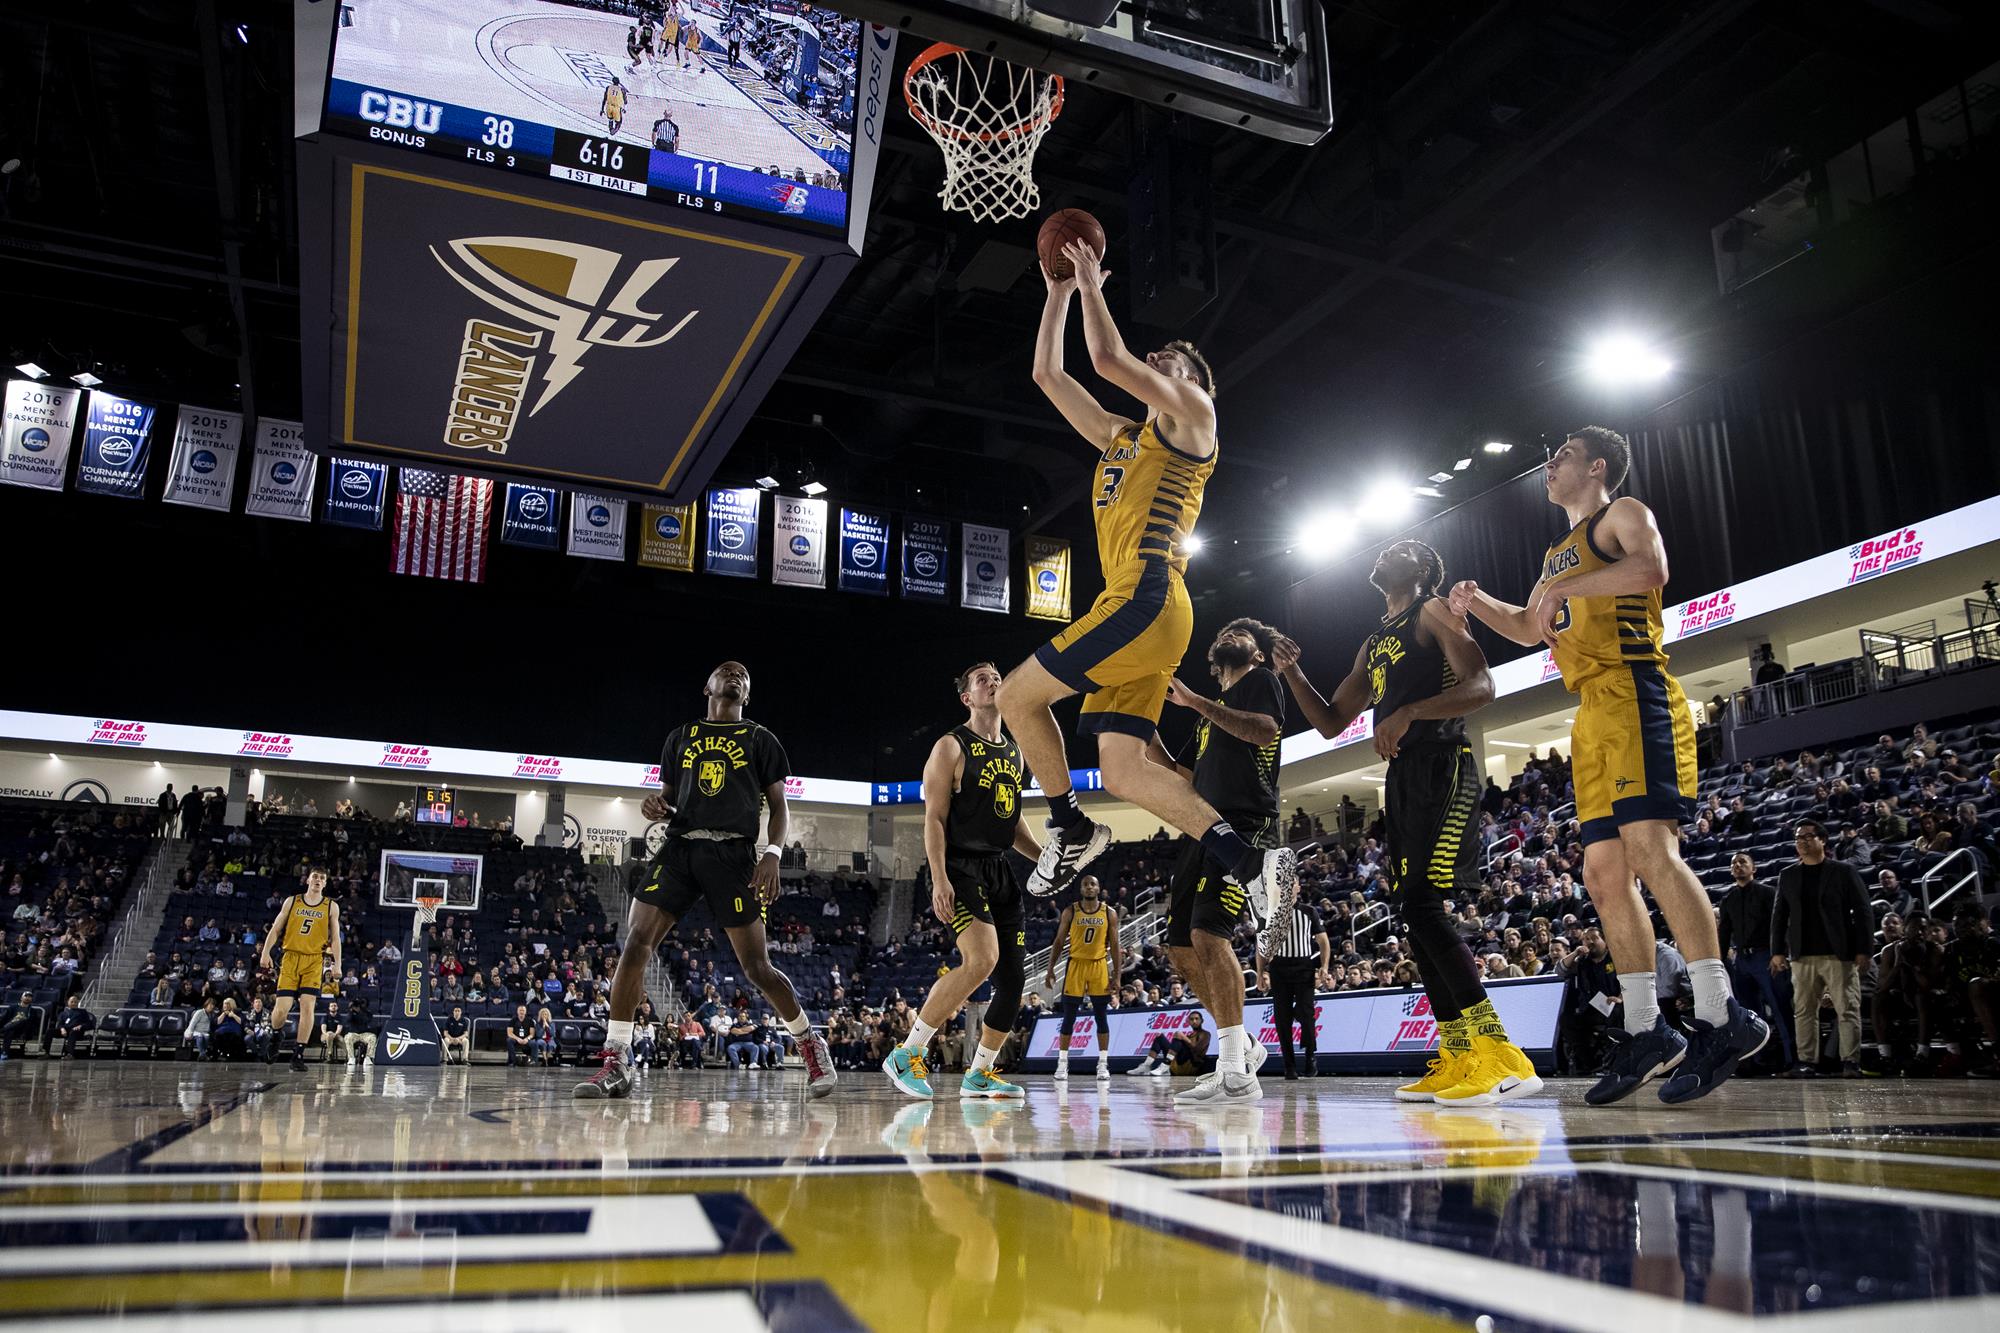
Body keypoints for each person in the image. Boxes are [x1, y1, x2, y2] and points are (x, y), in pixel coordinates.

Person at [1452, 426, 1767, 1105]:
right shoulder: (1555, 555)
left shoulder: (1622, 514)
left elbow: (1652, 571)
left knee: (1652, 850)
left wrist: (1568, 582)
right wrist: (1477, 603)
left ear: (1596, 466)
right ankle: (1648, 1027)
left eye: (1561, 454)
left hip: (1636, 691)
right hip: (1591, 713)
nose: (1549, 463)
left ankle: (1721, 1014)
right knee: (1600, 874)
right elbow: (1532, 623)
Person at [1002, 237, 1298, 931]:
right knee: (1125, 771)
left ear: (1195, 381)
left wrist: (1092, 284)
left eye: (1175, 358)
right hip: (1135, 606)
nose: (1161, 358)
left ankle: (1068, 826)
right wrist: (1058, 294)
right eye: (1158, 354)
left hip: (1149, 596)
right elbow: (1050, 375)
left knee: (1018, 696)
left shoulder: (1196, 420)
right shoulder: (1119, 437)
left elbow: (1108, 360)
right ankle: (1252, 865)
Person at [1286, 540, 1541, 1105]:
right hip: (1404, 779)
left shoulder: (1432, 611)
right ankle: (1458, 1053)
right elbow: (1330, 722)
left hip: (1445, 768)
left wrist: (1408, 711)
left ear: (1423, 569)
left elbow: (1482, 686)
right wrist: (1292, 672)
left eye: (1401, 548)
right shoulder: (1375, 640)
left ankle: (1503, 1056)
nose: (1383, 551)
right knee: (1412, 912)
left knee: (1425, 907)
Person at [576, 662, 834, 1099]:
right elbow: (673, 802)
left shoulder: (760, 739)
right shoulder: (680, 738)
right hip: (680, 848)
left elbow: (780, 806)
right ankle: (617, 1059)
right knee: (636, 940)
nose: (735, 675)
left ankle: (811, 1044)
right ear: (707, 686)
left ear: (747, 695)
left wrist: (772, 853)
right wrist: (655, 806)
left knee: (757, 968)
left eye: (744, 675)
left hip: (732, 854)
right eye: (725, 671)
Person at [1143, 619, 1290, 1104]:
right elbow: (1180, 775)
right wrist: (1142, 731)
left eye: (1243, 633)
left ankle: (1234, 1073)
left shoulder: (1261, 682)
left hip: (1244, 823)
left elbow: (1265, 732)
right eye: (1223, 631)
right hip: (1199, 826)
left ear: (1259, 654)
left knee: (1210, 933)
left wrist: (1194, 702)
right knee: (1181, 948)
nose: (1229, 634)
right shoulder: (1210, 716)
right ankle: (1243, 1045)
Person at [883, 661, 1043, 1100]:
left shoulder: (1015, 751)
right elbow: (933, 818)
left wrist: (1047, 856)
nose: (992, 680)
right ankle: (906, 1053)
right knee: (981, 959)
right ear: (967, 697)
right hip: (960, 865)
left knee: (1012, 980)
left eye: (996, 675)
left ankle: (980, 1074)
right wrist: (938, 878)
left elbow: (1011, 823)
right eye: (981, 679)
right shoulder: (951, 746)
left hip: (999, 869)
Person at [1771, 821, 1872, 1077]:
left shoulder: (1843, 871)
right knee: (1804, 1011)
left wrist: (1864, 949)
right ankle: (1807, 1062)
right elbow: (1779, 915)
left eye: (1808, 836)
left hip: (1839, 952)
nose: (1802, 841)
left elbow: (1863, 911)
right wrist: (1778, 951)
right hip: (1802, 955)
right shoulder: (1788, 875)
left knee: (1846, 1008)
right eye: (1798, 837)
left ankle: (1851, 1061)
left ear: (1823, 840)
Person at [259, 868, 341, 1072]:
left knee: (308, 1006)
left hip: (314, 960)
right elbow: (276, 928)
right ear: (308, 880)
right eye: (315, 876)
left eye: (322, 878)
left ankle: (298, 1053)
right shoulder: (292, 901)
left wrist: (337, 964)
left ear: (325, 883)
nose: (318, 880)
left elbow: (336, 937)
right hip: (290, 957)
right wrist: (265, 952)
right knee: (281, 1009)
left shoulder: (331, 906)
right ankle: (277, 1034)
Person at [1716, 853, 1794, 1068]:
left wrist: (1779, 953)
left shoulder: (1768, 893)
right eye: (1734, 864)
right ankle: (1755, 1061)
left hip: (1766, 956)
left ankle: (1791, 1060)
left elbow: (1779, 925)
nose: (1738, 866)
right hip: (1742, 960)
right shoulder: (1728, 899)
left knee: (1780, 1008)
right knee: (1749, 1015)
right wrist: (1721, 960)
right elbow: (1724, 933)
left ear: (1754, 869)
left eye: (1743, 862)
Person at [1044, 874, 1119, 1082]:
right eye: (1085, 884)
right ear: (1081, 889)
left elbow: (1115, 945)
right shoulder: (1070, 911)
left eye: (1092, 884)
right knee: (1069, 1017)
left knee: (1101, 1016)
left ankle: (1103, 1063)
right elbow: (1059, 940)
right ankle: (1062, 1063)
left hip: (1099, 965)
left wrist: (1117, 975)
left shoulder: (1109, 913)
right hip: (1075, 964)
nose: (1089, 887)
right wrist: (1050, 968)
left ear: (1098, 888)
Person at [1257, 899, 1326, 1080]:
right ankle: (1289, 1065)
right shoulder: (1269, 912)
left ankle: (1310, 1054)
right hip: (1279, 967)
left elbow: (1323, 940)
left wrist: (1324, 966)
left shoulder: (1309, 911)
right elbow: (1261, 946)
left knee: (1306, 1012)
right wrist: (1259, 973)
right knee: (1282, 1018)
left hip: (1304, 965)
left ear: (1297, 887)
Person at [344, 995, 378, 1066]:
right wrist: (351, 1010)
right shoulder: (351, 1013)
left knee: (372, 1037)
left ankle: (368, 1058)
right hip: (353, 1033)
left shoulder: (367, 1013)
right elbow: (347, 1020)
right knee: (348, 1037)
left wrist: (360, 1012)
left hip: (364, 1034)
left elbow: (366, 1020)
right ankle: (351, 1058)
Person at [0, 991, 34, 1059]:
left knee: (23, 1020)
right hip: (10, 1029)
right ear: (21, 998)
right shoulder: (13, 1007)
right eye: (26, 996)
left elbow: (31, 1023)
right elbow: (4, 1018)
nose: (27, 998)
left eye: (30, 997)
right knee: (10, 1031)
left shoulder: (32, 1010)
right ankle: (5, 1053)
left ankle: (2, 1030)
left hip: (21, 1031)